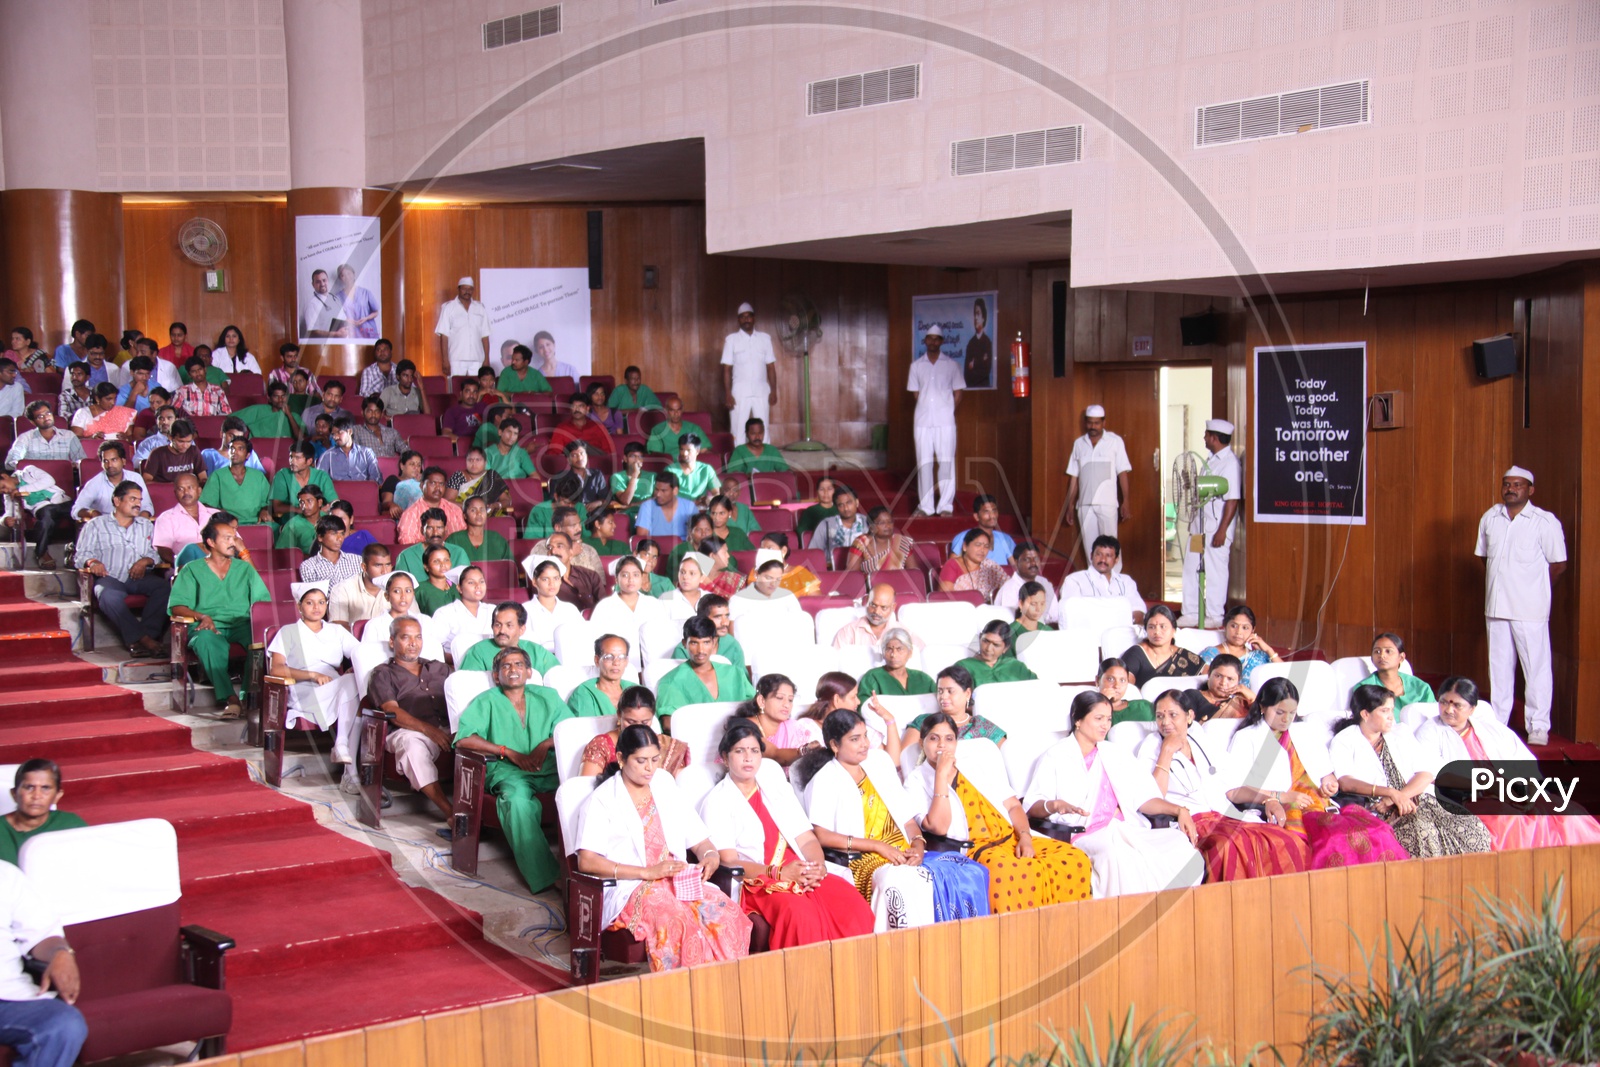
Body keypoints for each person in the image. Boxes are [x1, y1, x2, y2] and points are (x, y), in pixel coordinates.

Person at [574, 723, 751, 971]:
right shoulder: (602, 800)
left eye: (655, 759)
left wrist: (709, 857)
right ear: (622, 759)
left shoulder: (665, 786)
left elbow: (700, 839)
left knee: (726, 914)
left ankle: (724, 991)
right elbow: (587, 861)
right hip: (634, 885)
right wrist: (646, 872)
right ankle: (684, 998)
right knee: (679, 922)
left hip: (678, 880)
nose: (650, 768)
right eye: (641, 760)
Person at [798, 708, 988, 929]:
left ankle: (957, 944)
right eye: (855, 739)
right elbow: (822, 836)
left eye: (865, 736)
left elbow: (907, 821)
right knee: (904, 882)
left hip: (902, 850)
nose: (865, 744)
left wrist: (918, 845)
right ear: (834, 745)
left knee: (970, 872)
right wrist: (878, 846)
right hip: (863, 859)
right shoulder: (824, 780)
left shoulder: (879, 765)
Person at [702, 719, 875, 947]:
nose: (748, 758)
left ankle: (852, 977)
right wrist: (779, 873)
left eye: (754, 751)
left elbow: (807, 838)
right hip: (758, 882)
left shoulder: (774, 786)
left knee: (851, 904)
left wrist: (817, 867)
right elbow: (729, 861)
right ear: (725, 758)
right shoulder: (717, 801)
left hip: (801, 871)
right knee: (800, 916)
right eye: (739, 751)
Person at [1023, 691, 1204, 897]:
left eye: (1108, 719)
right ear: (1078, 720)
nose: (1105, 725)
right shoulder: (1055, 755)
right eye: (1098, 719)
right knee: (1118, 856)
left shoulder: (1114, 753)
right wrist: (1054, 805)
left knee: (1179, 846)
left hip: (1121, 829)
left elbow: (1143, 797)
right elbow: (1031, 806)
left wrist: (1179, 810)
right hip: (1084, 834)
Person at [909, 718, 1092, 911]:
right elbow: (939, 827)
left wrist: (1025, 838)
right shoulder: (915, 781)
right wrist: (940, 775)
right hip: (977, 848)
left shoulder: (974, 766)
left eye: (949, 739)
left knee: (1075, 859)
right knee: (1008, 874)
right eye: (934, 739)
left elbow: (1013, 806)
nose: (942, 745)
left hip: (1013, 837)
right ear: (922, 743)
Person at [1225, 678, 1408, 869]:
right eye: (1279, 712)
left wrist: (1329, 783)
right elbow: (1235, 790)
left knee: (1376, 833)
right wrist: (1280, 796)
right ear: (1263, 706)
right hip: (1283, 807)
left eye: (1292, 713)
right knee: (1332, 842)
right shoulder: (1247, 737)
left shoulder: (1304, 730)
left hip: (1319, 802)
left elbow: (1325, 773)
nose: (1286, 719)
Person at [1137, 690, 1311, 882]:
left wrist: (1268, 799)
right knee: (1228, 847)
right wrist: (1167, 751)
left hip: (1225, 815)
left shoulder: (1200, 739)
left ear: (1189, 716)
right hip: (1192, 821)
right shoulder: (1152, 746)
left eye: (1173, 715)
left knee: (1286, 840)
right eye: (1160, 716)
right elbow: (1153, 795)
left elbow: (1233, 789)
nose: (1165, 722)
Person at [1415, 676, 1600, 849]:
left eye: (1457, 705)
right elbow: (1436, 774)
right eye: (1444, 702)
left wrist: (1528, 788)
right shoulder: (1430, 731)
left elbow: (1524, 762)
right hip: (1471, 796)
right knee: (1509, 820)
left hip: (1511, 790)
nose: (1448, 710)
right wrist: (1491, 786)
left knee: (1566, 813)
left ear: (1472, 708)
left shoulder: (1492, 729)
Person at [455, 647, 574, 893]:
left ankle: (587, 870)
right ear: (496, 675)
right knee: (517, 802)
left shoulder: (548, 696)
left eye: (519, 664)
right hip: (507, 771)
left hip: (549, 767)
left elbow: (571, 728)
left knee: (582, 789)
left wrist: (545, 744)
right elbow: (464, 740)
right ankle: (548, 875)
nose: (513, 670)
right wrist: (507, 751)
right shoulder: (486, 701)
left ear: (529, 672)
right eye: (506, 666)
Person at [1330, 685, 1492, 858]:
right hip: (1379, 808)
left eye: (1392, 710)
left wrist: (1399, 796)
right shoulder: (1345, 740)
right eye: (1385, 711)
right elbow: (1346, 781)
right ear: (1365, 714)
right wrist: (1389, 793)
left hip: (1418, 798)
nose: (1391, 717)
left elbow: (1426, 773)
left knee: (1474, 830)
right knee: (1422, 832)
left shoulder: (1401, 733)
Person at [1475, 465, 1566, 746]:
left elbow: (1559, 565)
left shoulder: (1544, 521)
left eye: (1518, 484)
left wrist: (1535, 590)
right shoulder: (1491, 517)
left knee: (1536, 668)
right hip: (1497, 608)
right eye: (1507, 483)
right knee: (1499, 668)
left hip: (1530, 610)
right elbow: (1484, 558)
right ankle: (1499, 722)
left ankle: (1538, 726)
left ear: (1530, 490)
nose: (1511, 488)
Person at [168, 516, 271, 718]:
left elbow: (262, 602)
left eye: (234, 538)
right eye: (226, 538)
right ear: (211, 543)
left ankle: (246, 696)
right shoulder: (192, 569)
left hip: (242, 623)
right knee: (207, 641)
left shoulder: (244, 569)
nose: (233, 542)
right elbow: (177, 606)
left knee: (260, 641)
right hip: (206, 624)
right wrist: (201, 616)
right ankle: (229, 698)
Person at [362, 617, 454, 825]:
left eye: (418, 637)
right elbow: (391, 710)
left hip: (447, 728)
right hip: (405, 731)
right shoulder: (382, 673)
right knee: (412, 745)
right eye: (406, 637)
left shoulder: (440, 668)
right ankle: (450, 813)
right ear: (392, 642)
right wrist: (429, 730)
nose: (413, 643)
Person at [0, 856, 89, 1067]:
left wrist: (60, 953)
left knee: (64, 1024)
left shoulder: (5, 874)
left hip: (8, 996)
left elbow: (42, 934)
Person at [267, 583, 363, 769]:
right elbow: (276, 669)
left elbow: (359, 653)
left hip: (335, 687)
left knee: (354, 684)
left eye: (321, 602)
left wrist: (356, 668)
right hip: (304, 690)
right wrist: (311, 675)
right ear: (299, 606)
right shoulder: (288, 632)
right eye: (310, 603)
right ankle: (342, 747)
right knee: (352, 690)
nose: (316, 607)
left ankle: (343, 750)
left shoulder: (336, 631)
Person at [74, 480, 167, 657]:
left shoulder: (146, 526)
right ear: (117, 501)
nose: (138, 504)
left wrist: (146, 561)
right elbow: (80, 556)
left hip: (138, 577)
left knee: (165, 588)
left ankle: (145, 636)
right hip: (110, 576)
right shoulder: (95, 525)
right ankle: (145, 641)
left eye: (139, 499)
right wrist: (93, 562)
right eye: (132, 499)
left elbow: (156, 554)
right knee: (107, 596)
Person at [1178, 419, 1242, 628]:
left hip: (1216, 530)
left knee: (1215, 570)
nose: (1204, 438)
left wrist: (1222, 530)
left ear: (1214, 438)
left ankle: (1214, 615)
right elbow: (1200, 491)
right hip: (1198, 530)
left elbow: (1232, 499)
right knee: (1192, 566)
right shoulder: (1210, 460)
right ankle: (1191, 612)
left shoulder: (1230, 463)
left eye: (1206, 435)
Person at [1064, 404, 1132, 566]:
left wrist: (1126, 501)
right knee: (1091, 550)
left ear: (1104, 422)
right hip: (1085, 505)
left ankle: (1114, 586)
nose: (1092, 427)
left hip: (1107, 503)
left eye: (1096, 423)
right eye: (1089, 422)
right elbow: (1074, 477)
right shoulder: (1079, 444)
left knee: (1111, 548)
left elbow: (1122, 472)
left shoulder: (1115, 442)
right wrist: (1070, 505)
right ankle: (1095, 587)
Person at [907, 324, 963, 517]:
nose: (932, 341)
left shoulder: (952, 365)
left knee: (946, 463)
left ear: (941, 342)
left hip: (945, 422)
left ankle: (945, 506)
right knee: (924, 464)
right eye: (929, 338)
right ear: (925, 341)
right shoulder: (916, 366)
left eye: (936, 339)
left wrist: (946, 410)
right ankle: (926, 507)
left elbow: (958, 393)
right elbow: (916, 394)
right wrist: (929, 409)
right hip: (922, 421)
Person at [655, 616, 756, 723]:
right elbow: (668, 723)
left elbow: (755, 707)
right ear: (685, 644)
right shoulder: (671, 681)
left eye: (706, 642)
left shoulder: (735, 673)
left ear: (714, 642)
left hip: (738, 735)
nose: (701, 650)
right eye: (694, 643)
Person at [577, 684, 688, 773]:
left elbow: (680, 789)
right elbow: (587, 788)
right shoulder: (601, 746)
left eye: (645, 722)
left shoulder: (668, 746)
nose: (638, 728)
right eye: (631, 722)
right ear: (619, 715)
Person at [899, 666, 1008, 754]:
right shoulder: (924, 721)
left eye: (950, 691)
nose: (943, 697)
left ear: (967, 694)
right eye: (940, 691)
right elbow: (904, 759)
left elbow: (1009, 756)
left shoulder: (981, 725)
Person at [0, 760, 88, 865]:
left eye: (45, 788)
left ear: (57, 795)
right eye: (29, 787)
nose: (37, 796)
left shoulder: (71, 824)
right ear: (14, 794)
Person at [590, 558, 666, 668]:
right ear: (616, 579)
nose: (631, 580)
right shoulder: (604, 606)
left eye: (636, 575)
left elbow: (663, 636)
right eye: (625, 575)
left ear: (642, 577)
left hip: (653, 663)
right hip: (617, 665)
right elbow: (597, 640)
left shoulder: (653, 604)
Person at [732, 675, 819, 767]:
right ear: (761, 700)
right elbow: (774, 754)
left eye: (790, 700)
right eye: (779, 698)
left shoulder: (792, 727)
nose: (787, 705)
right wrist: (803, 751)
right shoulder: (742, 727)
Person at [0, 464, 72, 570]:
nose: (5, 491)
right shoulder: (9, 495)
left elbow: (49, 480)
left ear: (5, 476)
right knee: (47, 517)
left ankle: (74, 549)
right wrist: (5, 520)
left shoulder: (29, 471)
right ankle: (41, 553)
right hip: (42, 507)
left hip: (62, 500)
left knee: (80, 513)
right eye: (2, 492)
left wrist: (21, 489)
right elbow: (9, 513)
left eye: (3, 487)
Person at [721, 302, 777, 435]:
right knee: (738, 429)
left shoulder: (765, 339)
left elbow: (770, 366)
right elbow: (727, 369)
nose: (746, 319)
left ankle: (763, 456)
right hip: (739, 392)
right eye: (742, 317)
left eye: (749, 316)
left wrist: (774, 390)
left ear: (754, 318)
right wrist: (728, 394)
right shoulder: (731, 340)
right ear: (738, 320)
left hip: (762, 390)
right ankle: (739, 455)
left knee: (763, 428)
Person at [1059, 536, 1145, 623]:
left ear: (1116, 560)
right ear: (1091, 556)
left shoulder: (1126, 581)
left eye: (1108, 556)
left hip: (1122, 633)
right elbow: (1069, 614)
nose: (1103, 560)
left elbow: (1138, 611)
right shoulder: (1074, 580)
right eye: (1099, 554)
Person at [1120, 605, 1205, 689]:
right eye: (1151, 627)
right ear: (1146, 630)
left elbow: (1208, 674)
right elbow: (1124, 686)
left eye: (1163, 627)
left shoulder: (1183, 655)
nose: (1157, 632)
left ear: (1173, 630)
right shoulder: (1136, 653)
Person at [558, 634, 640, 721]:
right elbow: (585, 731)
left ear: (626, 661)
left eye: (621, 657)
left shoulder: (637, 691)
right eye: (608, 657)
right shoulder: (584, 693)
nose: (616, 663)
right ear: (597, 660)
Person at [667, 595, 747, 676]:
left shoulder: (732, 644)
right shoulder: (683, 650)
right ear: (702, 619)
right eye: (717, 617)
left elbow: (743, 681)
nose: (725, 623)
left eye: (726, 616)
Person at [200, 435, 271, 523]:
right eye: (232, 448)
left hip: (257, 522)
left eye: (240, 449)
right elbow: (205, 504)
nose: (234, 452)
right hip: (227, 524)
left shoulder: (258, 476)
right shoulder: (217, 476)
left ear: (248, 455)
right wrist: (220, 512)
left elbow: (270, 501)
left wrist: (265, 510)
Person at [1199, 605, 1280, 682]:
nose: (1239, 632)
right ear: (1225, 626)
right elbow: (1206, 683)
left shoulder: (1258, 657)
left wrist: (1269, 650)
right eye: (1234, 626)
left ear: (1253, 630)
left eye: (1245, 628)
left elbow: (1286, 677)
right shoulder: (1211, 654)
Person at [1357, 632, 1435, 711]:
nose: (1382, 655)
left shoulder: (1421, 687)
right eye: (1377, 651)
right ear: (1372, 658)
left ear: (1401, 657)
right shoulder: (1364, 688)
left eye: (1388, 651)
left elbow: (1433, 716)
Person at [151, 472, 217, 565]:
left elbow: (234, 541)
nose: (186, 492)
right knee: (191, 549)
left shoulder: (216, 515)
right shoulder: (166, 518)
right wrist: (181, 565)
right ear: (175, 493)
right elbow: (164, 550)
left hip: (220, 566)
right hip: (186, 569)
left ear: (199, 491)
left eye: (190, 487)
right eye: (180, 489)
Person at [72, 442, 147, 521]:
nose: (110, 465)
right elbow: (77, 509)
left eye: (114, 460)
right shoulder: (95, 483)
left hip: (133, 524)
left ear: (123, 461)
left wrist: (140, 524)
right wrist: (92, 512)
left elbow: (146, 507)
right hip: (104, 526)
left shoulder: (136, 478)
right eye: (105, 461)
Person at [435, 278, 492, 376]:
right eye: (464, 289)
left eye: (470, 289)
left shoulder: (480, 308)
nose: (467, 292)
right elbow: (444, 336)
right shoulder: (449, 307)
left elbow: (485, 336)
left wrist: (486, 359)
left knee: (477, 389)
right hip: (455, 359)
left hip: (477, 359)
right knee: (455, 388)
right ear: (459, 289)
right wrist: (445, 360)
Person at [857, 629, 935, 699]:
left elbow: (939, 704)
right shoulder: (873, 677)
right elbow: (864, 708)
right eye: (889, 649)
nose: (893, 655)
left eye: (899, 649)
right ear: (883, 653)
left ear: (910, 653)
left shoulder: (923, 679)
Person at [523, 559, 583, 649]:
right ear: (534, 582)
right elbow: (527, 645)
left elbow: (582, 638)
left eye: (556, 578)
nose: (552, 584)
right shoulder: (524, 610)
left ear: (560, 581)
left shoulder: (570, 609)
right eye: (545, 579)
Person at [7, 402, 85, 471]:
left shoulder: (69, 435)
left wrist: (74, 465)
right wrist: (30, 467)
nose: (46, 418)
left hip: (62, 477)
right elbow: (10, 463)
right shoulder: (25, 438)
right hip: (34, 479)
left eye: (48, 413)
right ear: (32, 422)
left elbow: (82, 461)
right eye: (40, 416)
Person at [268, 441, 335, 520]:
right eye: (291, 457)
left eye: (297, 458)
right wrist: (299, 510)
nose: (292, 461)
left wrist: (327, 508)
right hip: (291, 522)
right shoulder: (282, 475)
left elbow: (334, 502)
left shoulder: (321, 476)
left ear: (309, 461)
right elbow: (277, 507)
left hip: (319, 521)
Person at [397, 468, 465, 545]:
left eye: (441, 484)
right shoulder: (410, 514)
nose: (438, 488)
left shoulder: (455, 510)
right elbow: (408, 545)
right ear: (422, 485)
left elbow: (463, 540)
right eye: (433, 483)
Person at [991, 542, 1056, 622]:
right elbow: (1011, 621)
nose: (1033, 563)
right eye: (1027, 559)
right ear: (1016, 562)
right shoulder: (1009, 588)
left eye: (1036, 559)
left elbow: (1055, 614)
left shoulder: (1044, 582)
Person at [328, 543, 393, 625]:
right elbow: (339, 627)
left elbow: (411, 620)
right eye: (378, 565)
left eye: (388, 565)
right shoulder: (342, 589)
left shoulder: (399, 588)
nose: (384, 571)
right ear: (364, 567)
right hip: (352, 637)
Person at [938, 529, 1008, 601]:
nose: (982, 550)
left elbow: (1008, 587)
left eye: (986, 546)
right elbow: (946, 595)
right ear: (965, 546)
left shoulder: (989, 566)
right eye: (978, 545)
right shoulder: (952, 565)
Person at [947, 495, 1016, 565]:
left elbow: (1016, 568)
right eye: (986, 512)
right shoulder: (964, 537)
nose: (992, 516)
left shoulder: (1005, 538)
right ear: (976, 516)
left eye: (994, 511)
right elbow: (952, 566)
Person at [846, 506, 913, 574]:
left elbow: (914, 572)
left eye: (890, 522)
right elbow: (852, 574)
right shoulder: (861, 542)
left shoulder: (901, 542)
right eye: (882, 523)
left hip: (899, 582)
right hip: (870, 584)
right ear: (871, 527)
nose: (887, 526)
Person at [808, 482, 868, 557]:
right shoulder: (826, 524)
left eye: (849, 503)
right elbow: (813, 553)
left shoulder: (867, 522)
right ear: (836, 507)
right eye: (841, 505)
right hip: (832, 567)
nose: (846, 508)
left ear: (857, 502)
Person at [299, 517, 364, 585]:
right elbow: (313, 594)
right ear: (320, 537)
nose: (340, 538)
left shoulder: (357, 560)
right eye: (334, 533)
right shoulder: (309, 566)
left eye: (342, 533)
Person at [316, 416, 382, 483]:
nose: (335, 437)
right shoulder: (327, 456)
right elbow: (319, 480)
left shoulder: (366, 453)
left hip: (362, 491)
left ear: (350, 431)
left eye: (339, 432)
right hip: (337, 492)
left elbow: (376, 477)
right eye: (333, 434)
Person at [448, 496, 512, 562]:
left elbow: (511, 565)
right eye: (473, 510)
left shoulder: (496, 538)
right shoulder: (454, 540)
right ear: (465, 516)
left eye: (482, 510)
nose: (479, 513)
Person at [447, 447, 510, 513]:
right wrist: (470, 508)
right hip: (463, 514)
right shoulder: (458, 476)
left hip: (489, 514)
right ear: (466, 462)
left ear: (485, 462)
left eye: (478, 460)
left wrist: (495, 505)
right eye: (470, 460)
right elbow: (447, 501)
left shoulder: (492, 476)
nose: (474, 463)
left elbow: (506, 500)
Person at [235, 380, 303, 442]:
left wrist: (289, 415)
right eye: (276, 396)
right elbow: (231, 420)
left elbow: (301, 438)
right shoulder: (258, 410)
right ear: (269, 398)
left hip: (284, 450)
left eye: (283, 396)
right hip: (259, 447)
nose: (280, 400)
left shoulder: (295, 416)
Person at [635, 470, 690, 539]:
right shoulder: (647, 506)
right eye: (656, 490)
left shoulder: (689, 506)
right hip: (654, 547)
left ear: (675, 491)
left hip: (682, 548)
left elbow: (697, 536)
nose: (658, 494)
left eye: (663, 491)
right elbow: (641, 538)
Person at [1193, 654, 1250, 721]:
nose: (1223, 683)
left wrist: (1251, 697)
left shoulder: (1240, 704)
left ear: (1238, 680)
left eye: (1230, 679)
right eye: (1218, 676)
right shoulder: (1193, 695)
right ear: (1209, 674)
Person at [724, 417, 789, 474]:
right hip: (747, 486)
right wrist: (747, 477)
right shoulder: (740, 451)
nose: (757, 437)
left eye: (760, 433)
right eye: (753, 433)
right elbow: (733, 474)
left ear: (763, 432)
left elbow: (785, 471)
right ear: (746, 434)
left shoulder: (772, 450)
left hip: (769, 486)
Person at [1099, 658, 1154, 725]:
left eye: (1122, 680)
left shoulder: (1144, 707)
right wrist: (1100, 703)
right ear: (1097, 681)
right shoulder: (1087, 711)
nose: (1117, 686)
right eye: (1110, 679)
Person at [274, 485, 325, 554]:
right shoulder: (292, 526)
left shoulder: (329, 519)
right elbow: (282, 554)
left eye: (309, 501)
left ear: (319, 502)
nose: (304, 506)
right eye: (301, 502)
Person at [668, 434, 719, 504]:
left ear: (697, 451)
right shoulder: (670, 470)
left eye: (688, 450)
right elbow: (666, 496)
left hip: (700, 510)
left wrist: (710, 499)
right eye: (681, 449)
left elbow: (717, 492)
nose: (684, 453)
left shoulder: (707, 469)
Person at [440, 378, 484, 445]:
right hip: (461, 446)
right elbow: (446, 433)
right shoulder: (452, 411)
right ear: (461, 393)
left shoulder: (483, 407)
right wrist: (462, 442)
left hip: (482, 445)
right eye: (468, 391)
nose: (471, 395)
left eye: (475, 392)